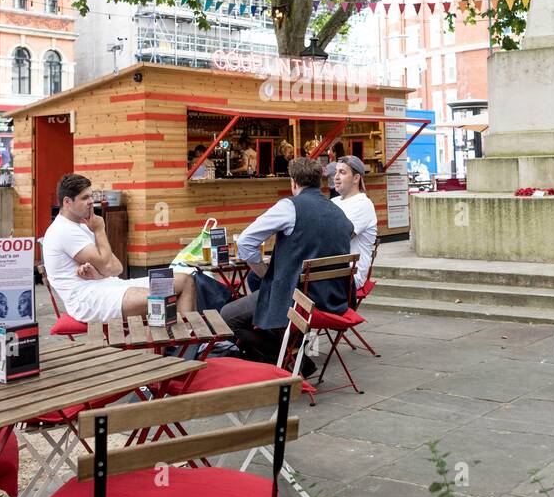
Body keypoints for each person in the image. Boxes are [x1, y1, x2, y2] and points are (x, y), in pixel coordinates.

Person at [219, 157, 353, 367]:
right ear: (319, 181)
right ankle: (286, 353)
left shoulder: (290, 207)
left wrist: (266, 275)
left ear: (293, 182)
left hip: (298, 299)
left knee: (226, 316)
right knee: (254, 305)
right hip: (334, 298)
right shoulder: (338, 212)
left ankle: (292, 362)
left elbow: (245, 242)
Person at [42, 173, 196, 322]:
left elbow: (117, 268)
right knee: (160, 297)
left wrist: (100, 273)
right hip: (88, 300)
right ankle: (166, 346)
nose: (91, 201)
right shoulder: (64, 230)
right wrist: (99, 230)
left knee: (184, 280)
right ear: (67, 202)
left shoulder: (81, 227)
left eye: (91, 195)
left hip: (109, 286)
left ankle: (185, 341)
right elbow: (108, 265)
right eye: (84, 198)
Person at [330, 156, 377, 292]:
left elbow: (340, 238)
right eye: (336, 172)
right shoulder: (334, 201)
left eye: (342, 173)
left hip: (350, 275)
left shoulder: (363, 204)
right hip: (331, 269)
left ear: (356, 178)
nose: (336, 177)